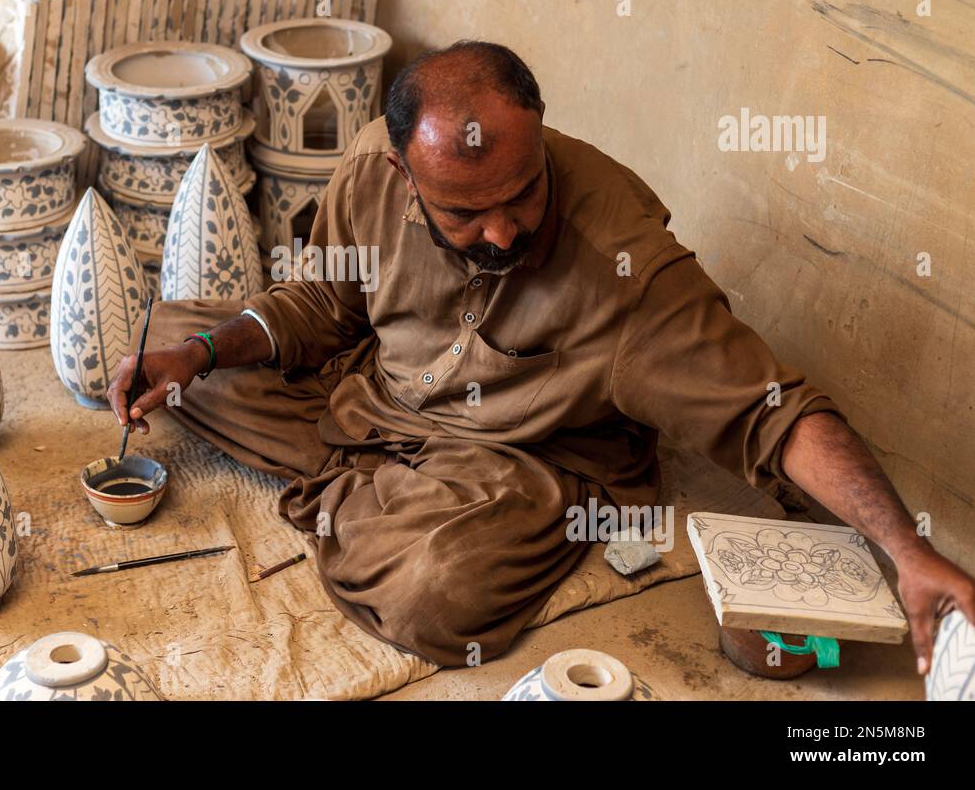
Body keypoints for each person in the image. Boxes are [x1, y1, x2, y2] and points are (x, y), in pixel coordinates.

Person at [108, 40, 975, 669]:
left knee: (433, 597)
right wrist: (202, 352)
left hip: (522, 457)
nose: (502, 230)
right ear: (409, 176)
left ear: (541, 139)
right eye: (462, 214)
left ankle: (388, 500)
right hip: (378, 397)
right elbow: (321, 306)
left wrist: (908, 550)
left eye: (522, 196)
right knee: (170, 347)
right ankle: (371, 489)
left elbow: (775, 413)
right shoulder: (374, 167)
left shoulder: (626, 268)